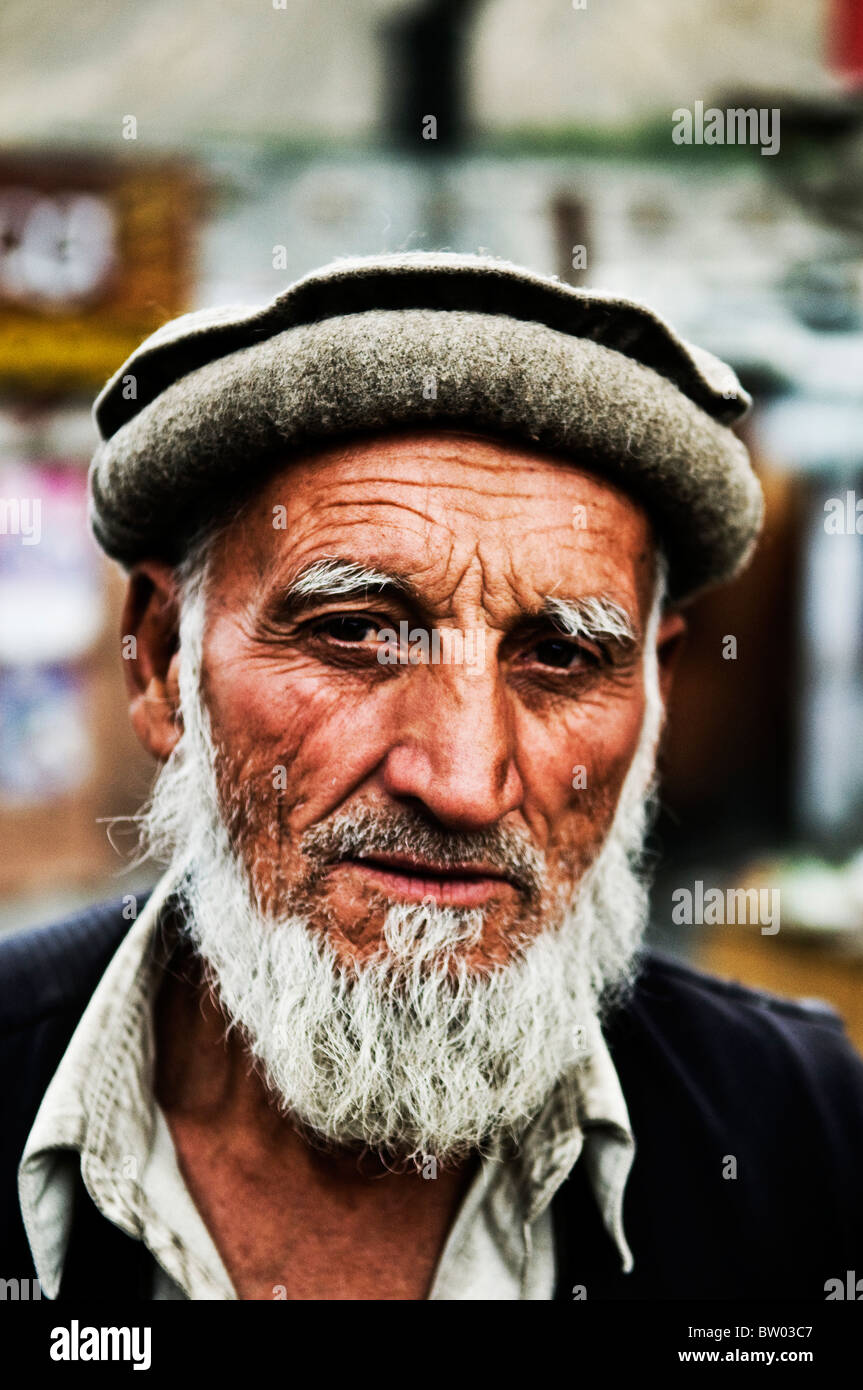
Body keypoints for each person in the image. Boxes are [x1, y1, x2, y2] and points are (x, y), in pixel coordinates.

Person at [3, 253, 861, 1301]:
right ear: (164, 662)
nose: (461, 781)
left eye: (559, 656)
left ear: (655, 695)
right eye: (355, 633)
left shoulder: (801, 1129)